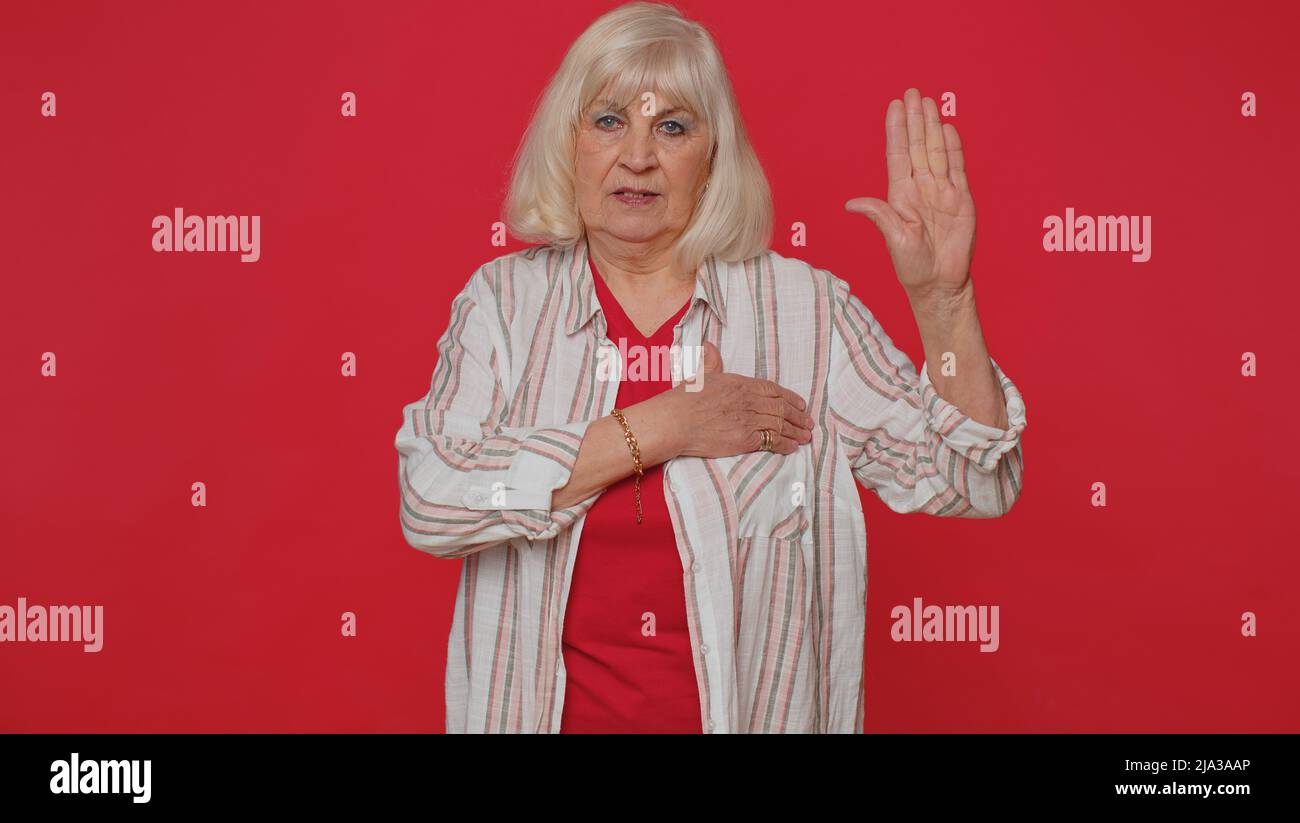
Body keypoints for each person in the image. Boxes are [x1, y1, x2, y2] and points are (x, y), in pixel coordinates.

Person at [394, 1, 1027, 733]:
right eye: (608, 120)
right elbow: (432, 497)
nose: (637, 155)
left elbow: (975, 480)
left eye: (672, 126)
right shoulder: (505, 304)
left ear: (713, 155)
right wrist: (665, 424)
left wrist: (943, 301)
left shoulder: (804, 309)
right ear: (569, 142)